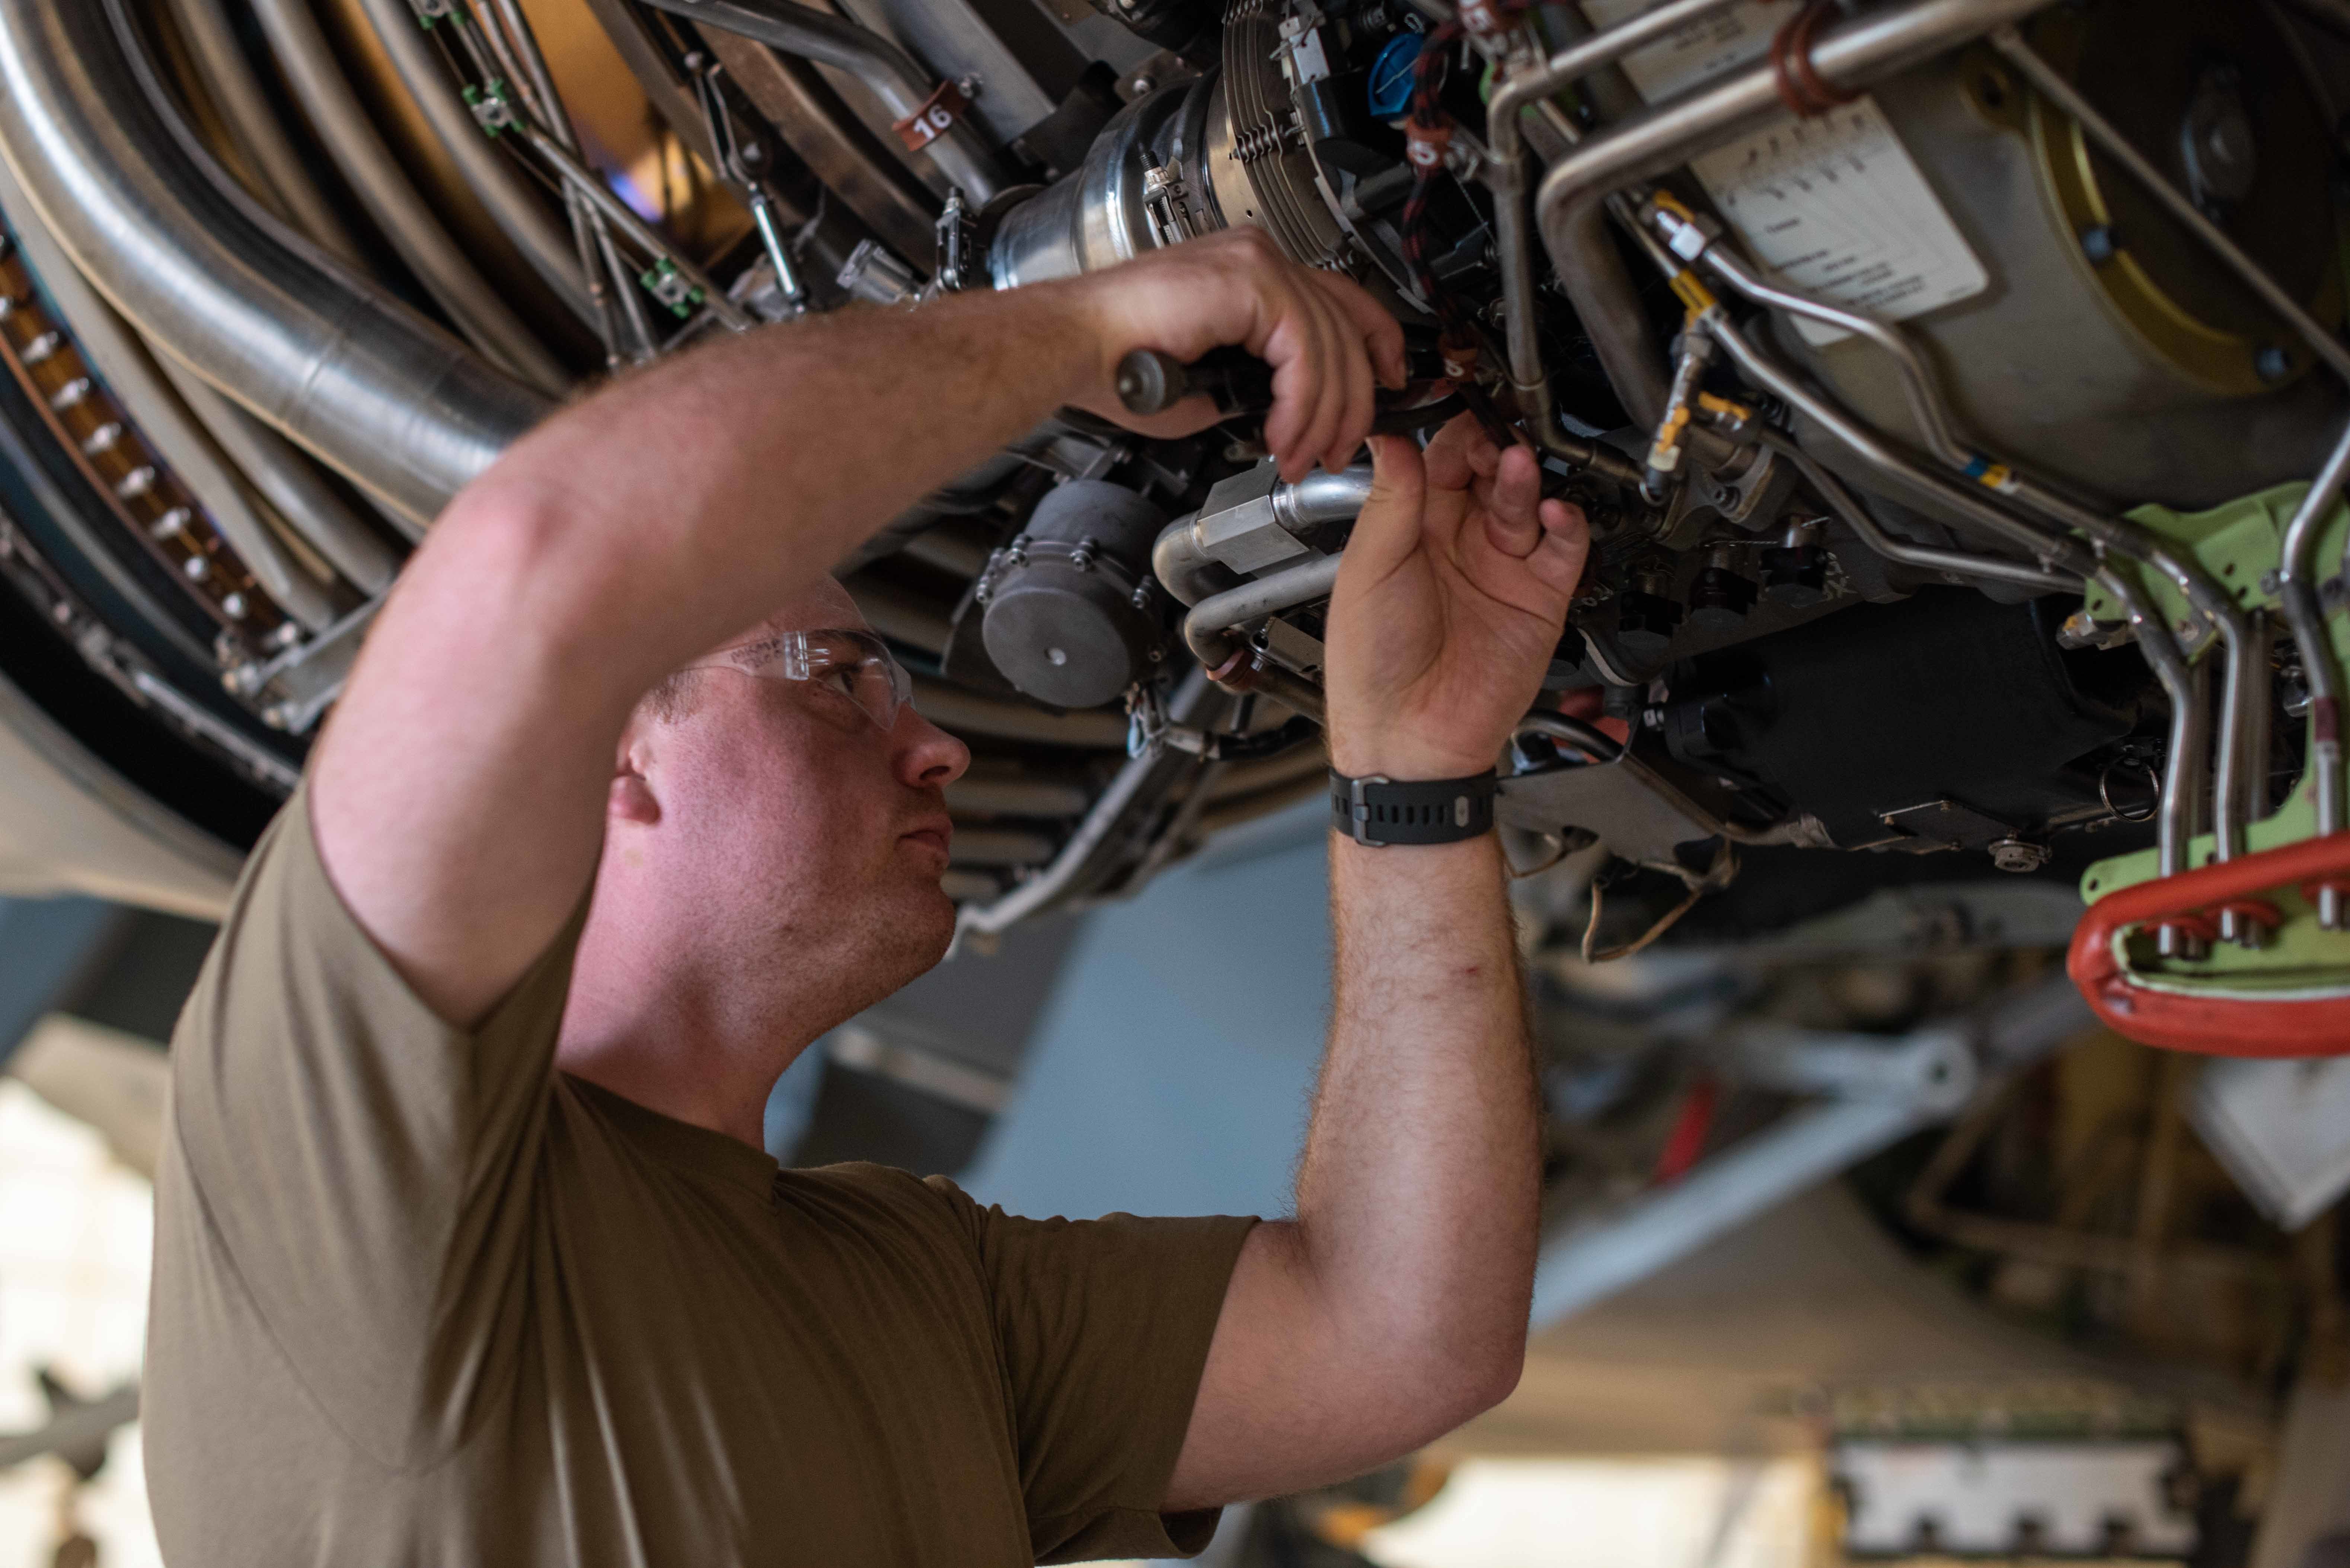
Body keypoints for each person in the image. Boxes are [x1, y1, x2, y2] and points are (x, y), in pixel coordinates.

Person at [143, 228, 1590, 1565]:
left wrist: (1412, 776)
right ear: (614, 764)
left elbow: (1396, 1332)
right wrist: (1084, 326)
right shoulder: (355, 1180)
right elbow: (540, 557)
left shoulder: (914, 1279)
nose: (939, 744)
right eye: (842, 683)